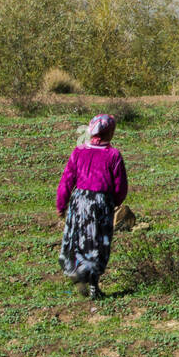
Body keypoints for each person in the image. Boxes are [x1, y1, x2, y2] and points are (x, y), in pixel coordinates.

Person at [57, 113, 128, 300]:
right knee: (98, 243)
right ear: (110, 133)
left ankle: (80, 274)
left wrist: (61, 204)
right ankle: (92, 283)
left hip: (80, 202)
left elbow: (66, 180)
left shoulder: (79, 152)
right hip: (101, 203)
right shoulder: (113, 155)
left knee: (79, 239)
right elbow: (120, 185)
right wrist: (115, 202)